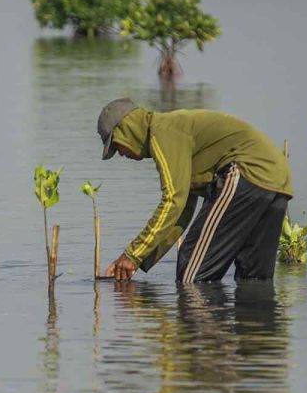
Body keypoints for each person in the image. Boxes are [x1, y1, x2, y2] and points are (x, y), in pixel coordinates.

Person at [98, 100, 294, 284]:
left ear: (127, 129)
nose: (121, 154)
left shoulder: (162, 131)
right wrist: (139, 260)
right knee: (252, 277)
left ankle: (195, 317)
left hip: (245, 172)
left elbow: (173, 200)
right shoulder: (174, 129)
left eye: (116, 145)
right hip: (278, 180)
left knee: (192, 273)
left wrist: (132, 254)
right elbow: (182, 212)